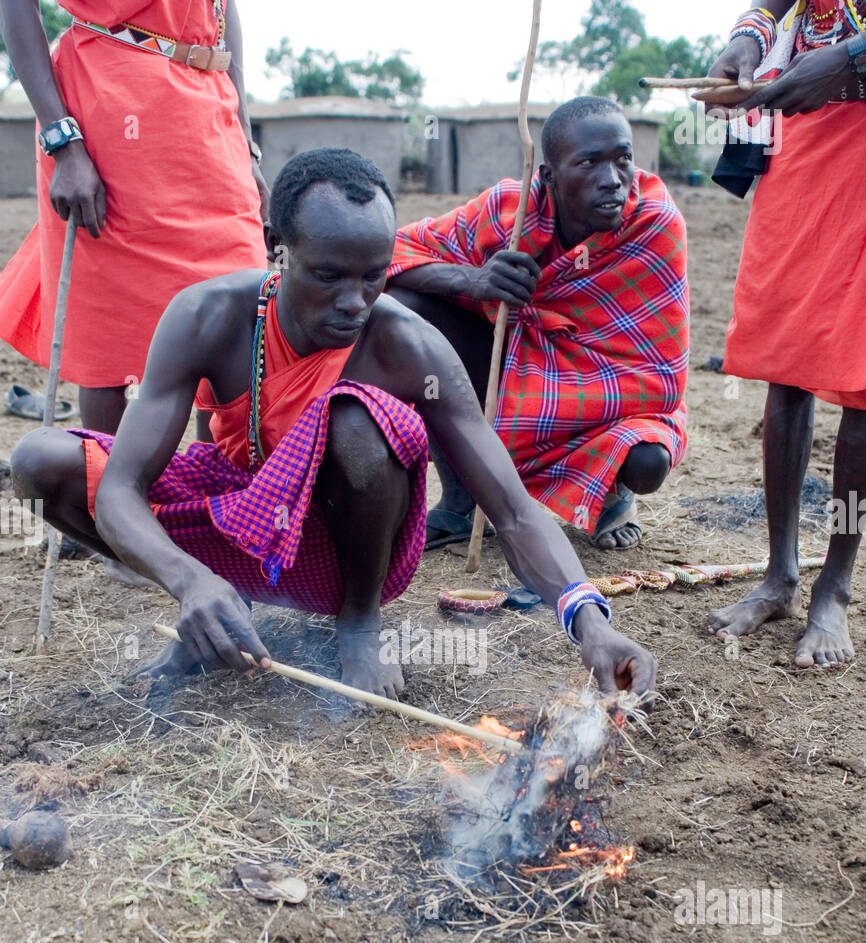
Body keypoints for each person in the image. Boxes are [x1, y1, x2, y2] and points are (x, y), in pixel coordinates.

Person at [10, 149, 657, 700]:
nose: (355, 302)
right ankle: (224, 607)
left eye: (374, 276)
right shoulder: (205, 316)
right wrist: (190, 581)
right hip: (236, 527)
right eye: (327, 276)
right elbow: (122, 488)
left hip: (341, 552)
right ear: (276, 249)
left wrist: (590, 623)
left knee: (358, 418)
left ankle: (358, 624)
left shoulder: (404, 344)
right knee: (41, 462)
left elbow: (513, 511)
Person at [387, 96, 689, 552]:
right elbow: (391, 252)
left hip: (603, 394)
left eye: (622, 159)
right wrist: (474, 280)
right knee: (405, 306)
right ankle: (463, 495)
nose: (612, 181)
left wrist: (541, 398)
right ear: (549, 176)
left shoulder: (654, 225)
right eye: (589, 163)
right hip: (514, 362)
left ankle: (611, 490)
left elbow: (660, 379)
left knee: (647, 461)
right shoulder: (509, 211)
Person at [0, 0, 267, 436]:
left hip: (211, 115)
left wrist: (245, 141)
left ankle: (212, 492)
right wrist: (62, 140)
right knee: (115, 334)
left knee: (235, 319)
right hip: (110, 115)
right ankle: (108, 491)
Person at [707, 2, 866, 668]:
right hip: (801, 134)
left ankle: (835, 586)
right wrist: (748, 40)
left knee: (862, 381)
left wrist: (851, 58)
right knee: (787, 359)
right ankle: (780, 575)